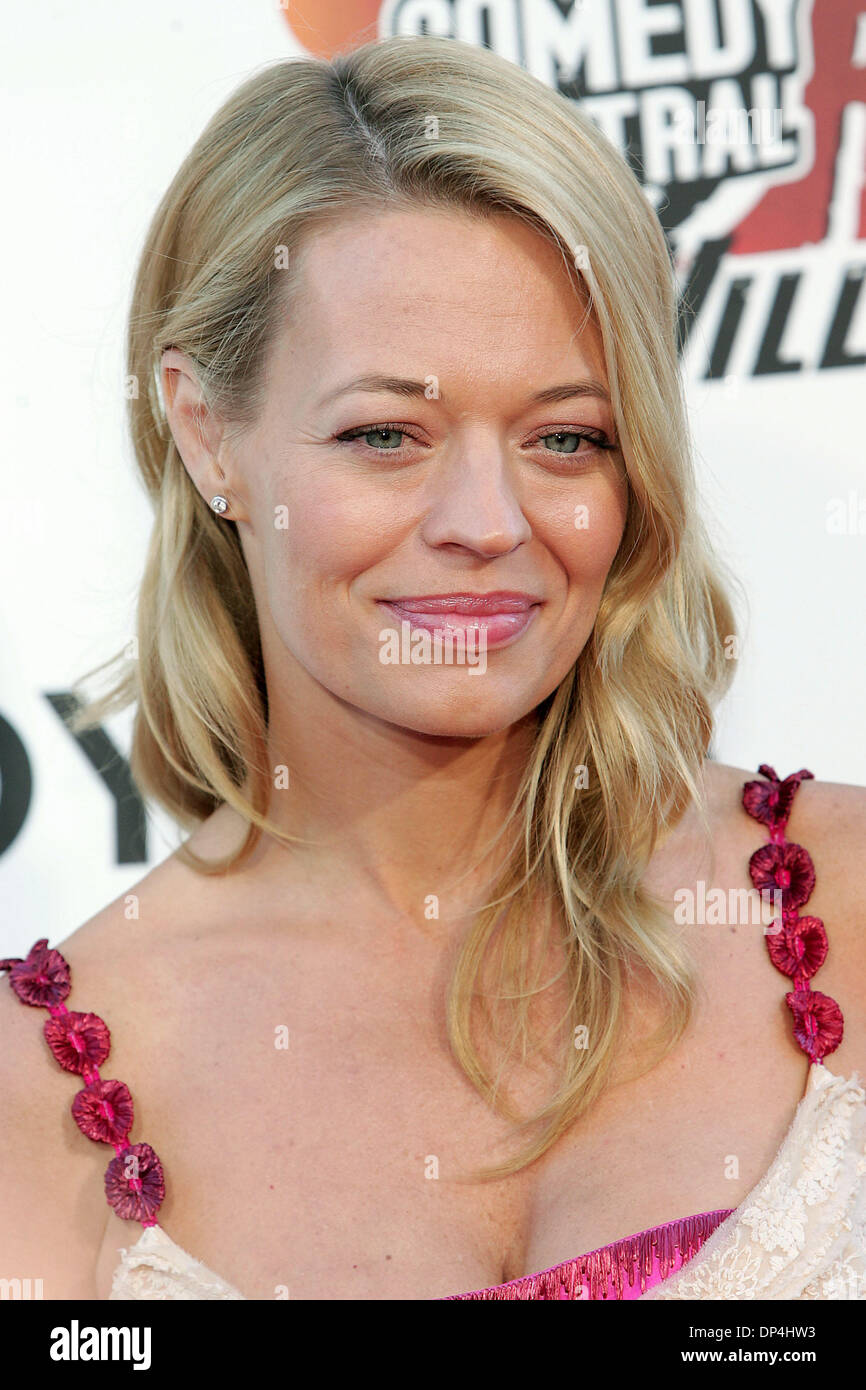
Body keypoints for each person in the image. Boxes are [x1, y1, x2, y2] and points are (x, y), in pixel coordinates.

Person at [2, 34, 865, 1302]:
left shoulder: (835, 905)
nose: (485, 518)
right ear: (207, 435)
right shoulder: (43, 1093)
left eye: (565, 436)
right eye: (385, 434)